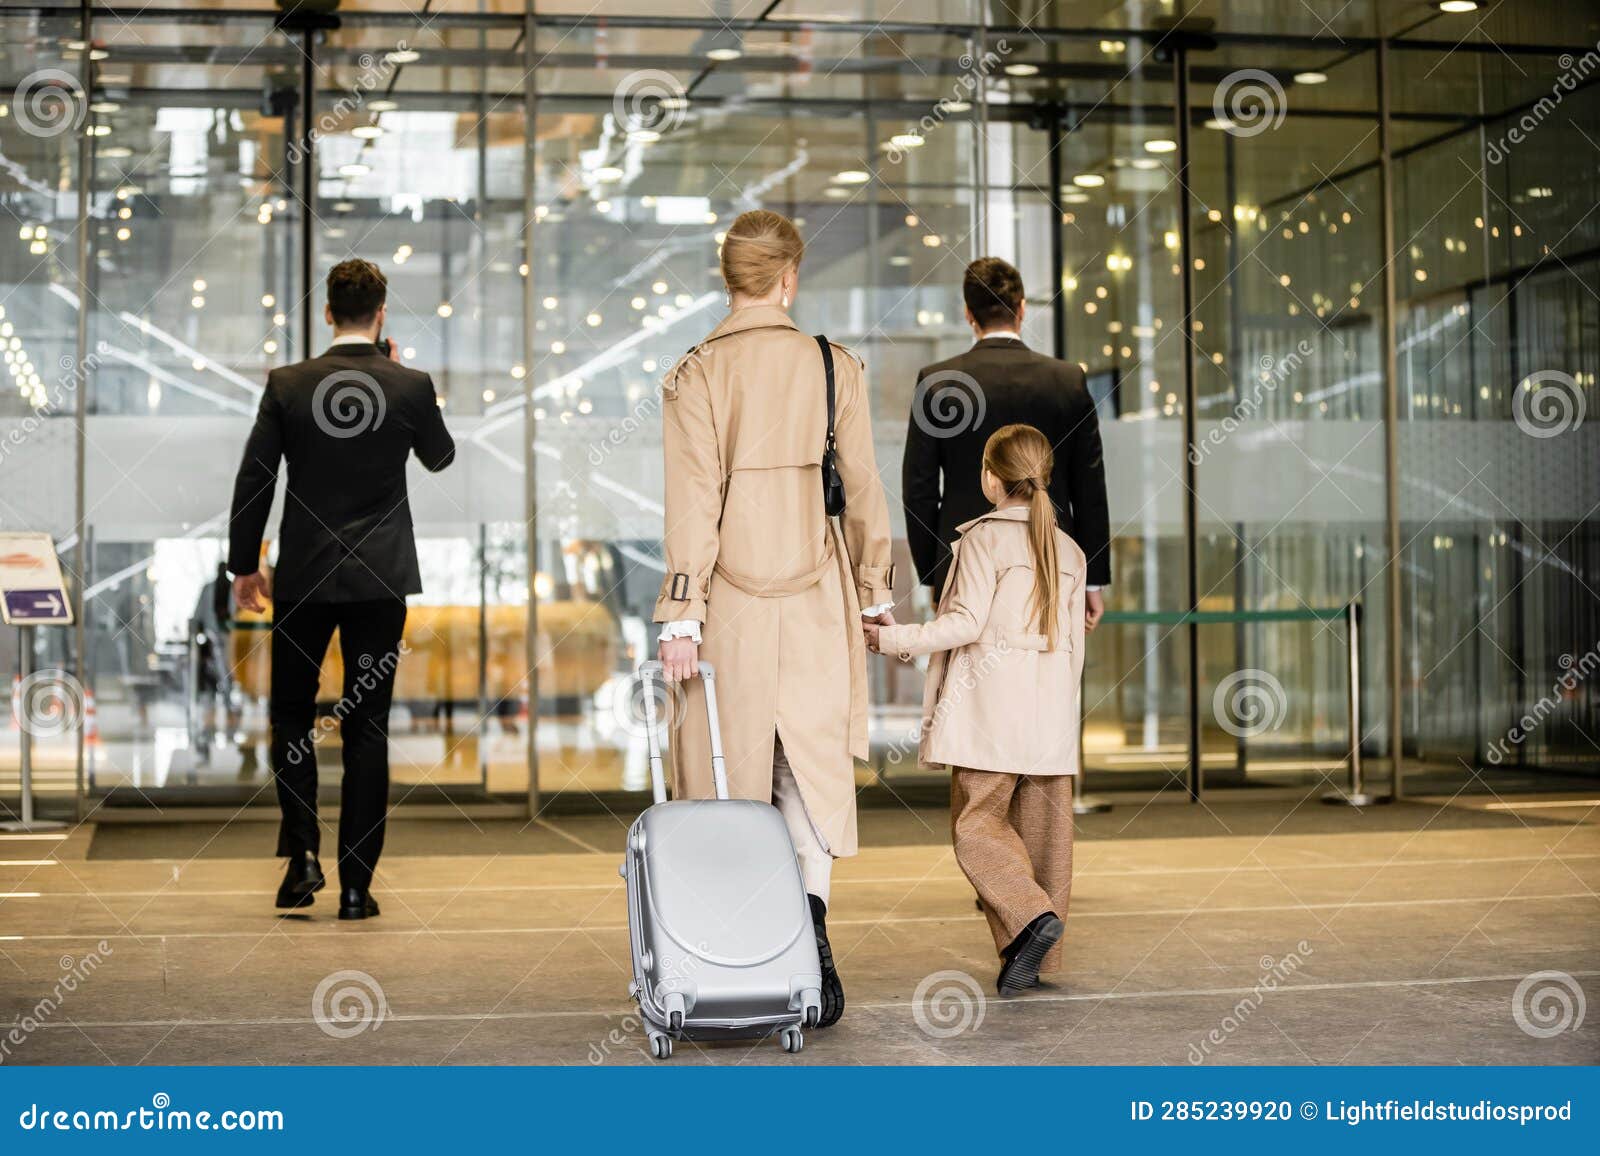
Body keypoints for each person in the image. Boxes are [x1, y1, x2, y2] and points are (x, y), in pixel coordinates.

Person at [654, 209, 896, 1028]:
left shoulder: (696, 375)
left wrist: (680, 616)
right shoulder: (836, 366)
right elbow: (863, 488)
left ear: (731, 280)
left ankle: (740, 954)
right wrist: (875, 592)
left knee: (729, 775)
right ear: (789, 279)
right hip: (820, 593)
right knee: (812, 768)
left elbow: (692, 507)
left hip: (729, 605)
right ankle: (812, 928)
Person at [227, 258, 455, 920]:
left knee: (291, 714)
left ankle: (302, 859)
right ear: (381, 312)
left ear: (327, 312)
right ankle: (356, 887)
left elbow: (255, 478)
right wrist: (409, 385)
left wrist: (246, 564)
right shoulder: (408, 384)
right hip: (381, 580)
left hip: (302, 576)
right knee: (368, 725)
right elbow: (439, 456)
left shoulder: (289, 384)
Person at [867, 425, 1086, 996]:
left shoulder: (981, 542)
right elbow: (1076, 653)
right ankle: (1029, 954)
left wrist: (891, 639)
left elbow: (964, 624)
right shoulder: (1070, 550)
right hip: (1052, 717)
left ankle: (1031, 919)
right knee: (1046, 846)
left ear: (990, 477)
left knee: (977, 827)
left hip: (990, 712)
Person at [901, 256, 1110, 627]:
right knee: (1046, 675)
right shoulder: (1067, 380)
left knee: (970, 679)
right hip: (1052, 561)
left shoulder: (938, 382)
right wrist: (1092, 578)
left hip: (964, 566)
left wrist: (936, 577)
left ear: (969, 314)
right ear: (1022, 309)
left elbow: (918, 491)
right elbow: (1089, 487)